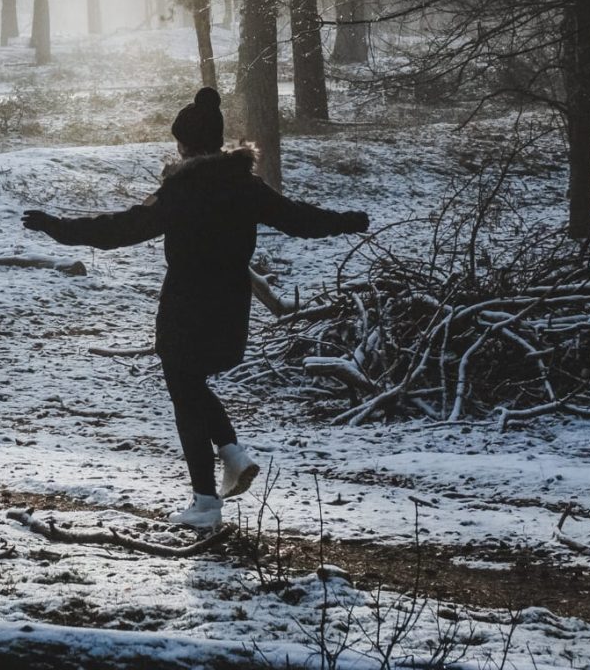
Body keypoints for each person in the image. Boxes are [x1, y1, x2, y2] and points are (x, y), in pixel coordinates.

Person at [22, 87, 368, 528]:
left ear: (185, 144)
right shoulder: (245, 186)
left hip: (185, 306)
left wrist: (58, 228)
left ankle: (207, 501)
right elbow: (300, 219)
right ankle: (231, 456)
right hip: (230, 307)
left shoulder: (180, 191)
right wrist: (347, 221)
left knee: (185, 394)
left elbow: (121, 229)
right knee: (192, 386)